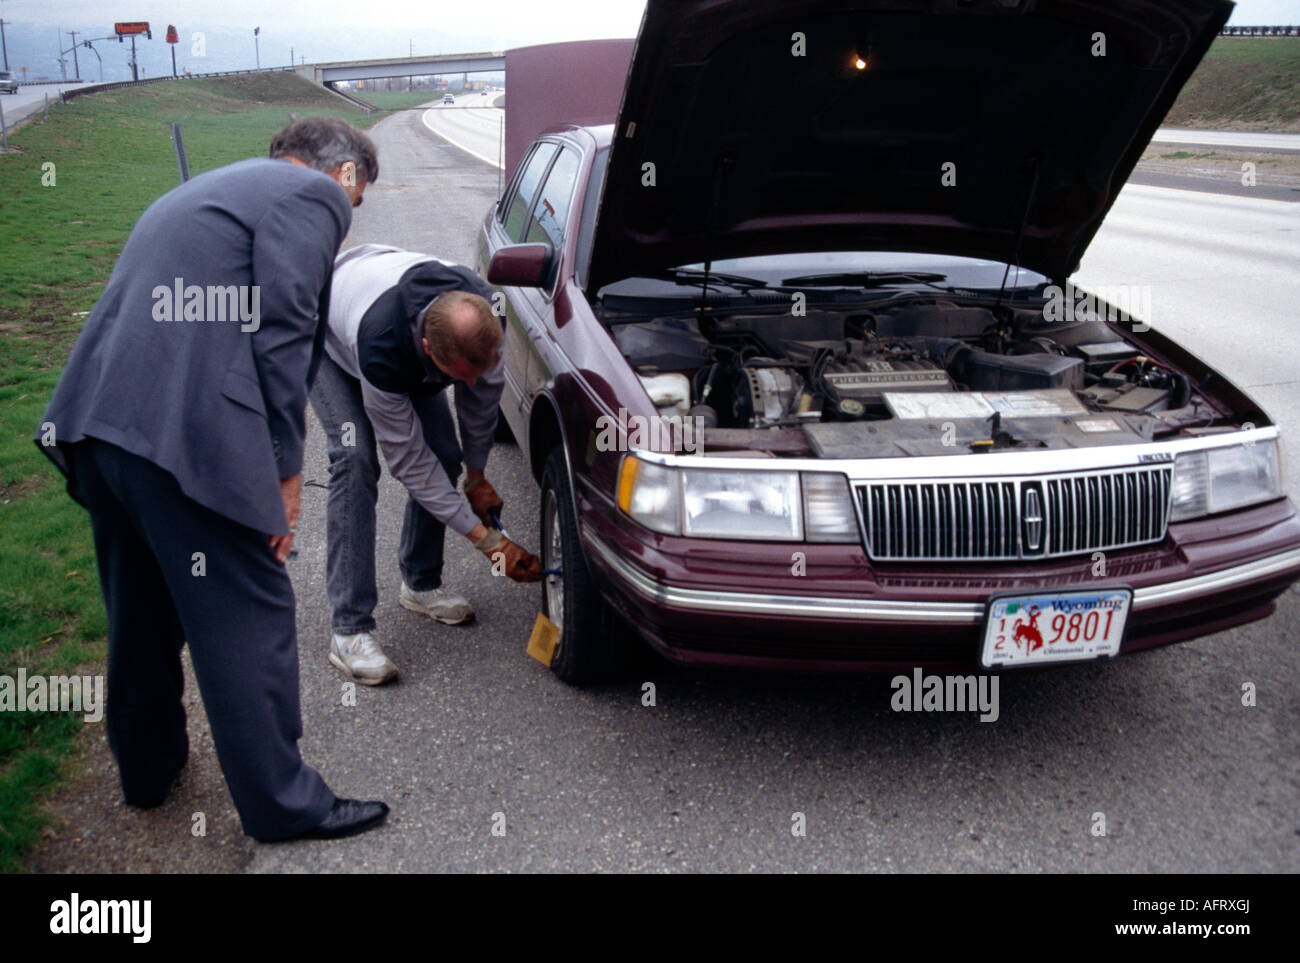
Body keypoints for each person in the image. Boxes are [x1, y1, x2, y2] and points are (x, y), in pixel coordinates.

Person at [34, 117, 390, 842]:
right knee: (250, 609)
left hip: (99, 424)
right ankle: (284, 805)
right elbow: (285, 328)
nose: (344, 223)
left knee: (140, 610)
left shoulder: (214, 190)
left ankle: (147, 770)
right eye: (354, 203)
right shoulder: (310, 195)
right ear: (344, 173)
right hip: (181, 441)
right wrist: (285, 471)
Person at [310, 243, 543, 685]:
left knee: (446, 453)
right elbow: (410, 464)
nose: (471, 382)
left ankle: (419, 583)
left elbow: (480, 401)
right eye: (458, 375)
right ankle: (349, 629)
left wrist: (476, 475)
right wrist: (486, 539)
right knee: (356, 461)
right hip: (328, 334)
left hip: (394, 318)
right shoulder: (383, 348)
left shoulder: (486, 312)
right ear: (428, 352)